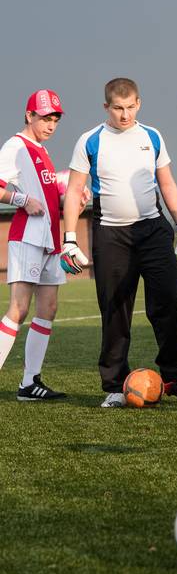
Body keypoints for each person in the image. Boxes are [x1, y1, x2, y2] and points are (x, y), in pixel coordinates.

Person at [61, 77, 177, 408]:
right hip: (111, 234)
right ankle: (114, 384)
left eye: (130, 107)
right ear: (106, 107)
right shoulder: (90, 141)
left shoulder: (151, 136)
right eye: (118, 108)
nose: (125, 115)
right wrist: (69, 239)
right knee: (114, 308)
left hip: (153, 230)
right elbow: (73, 190)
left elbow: (166, 183)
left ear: (139, 103)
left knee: (168, 302)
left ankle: (172, 377)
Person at [0, 90, 71, 400]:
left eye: (54, 119)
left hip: (50, 241)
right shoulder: (16, 146)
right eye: (45, 118)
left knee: (48, 308)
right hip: (27, 236)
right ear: (29, 116)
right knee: (18, 308)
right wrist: (21, 199)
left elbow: (46, 194)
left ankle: (29, 383)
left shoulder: (40, 149)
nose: (51, 124)